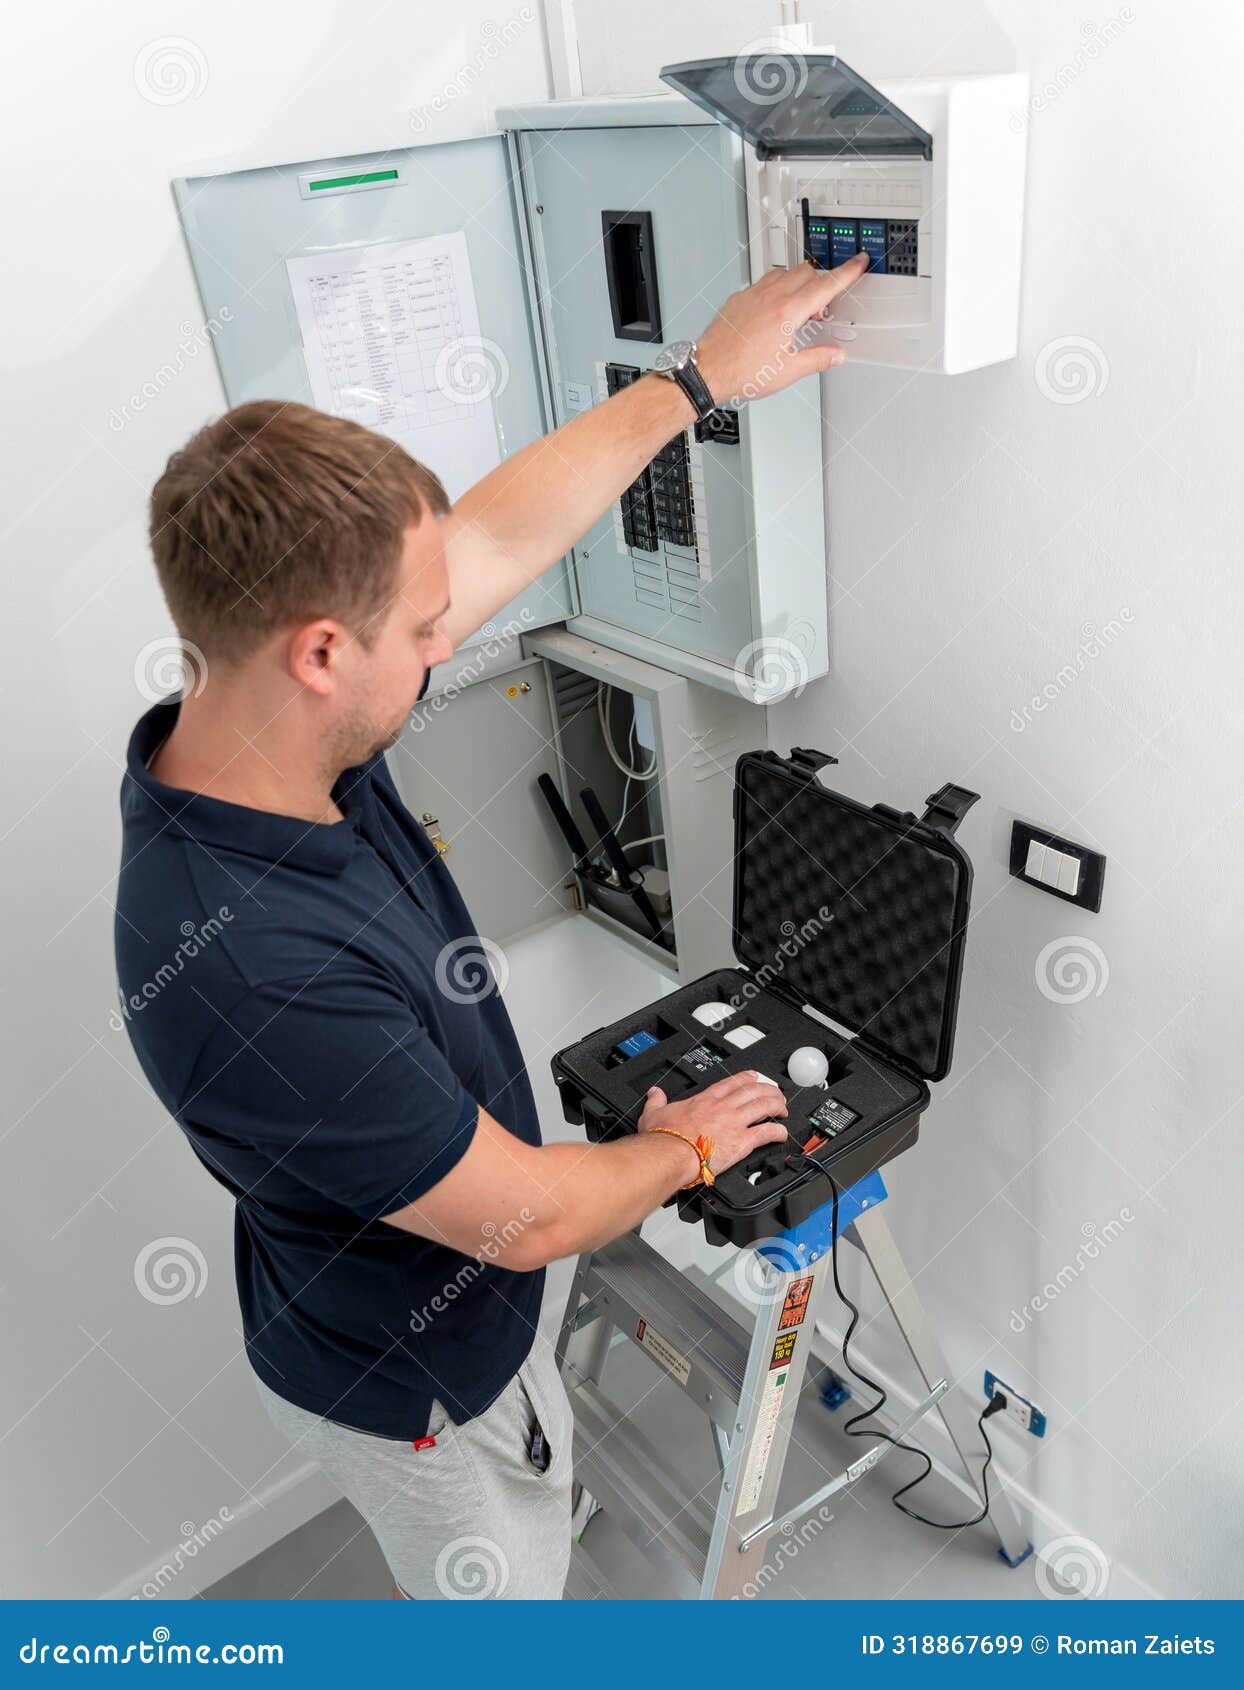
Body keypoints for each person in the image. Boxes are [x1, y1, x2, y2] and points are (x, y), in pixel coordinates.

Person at [114, 252, 869, 1599]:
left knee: (543, 1463)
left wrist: (698, 378)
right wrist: (682, 1143)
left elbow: (496, 535)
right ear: (321, 652)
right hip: (419, 1389)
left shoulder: (266, 735)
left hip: (449, 1300)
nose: (448, 634)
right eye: (422, 629)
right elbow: (519, 1219)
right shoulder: (245, 969)